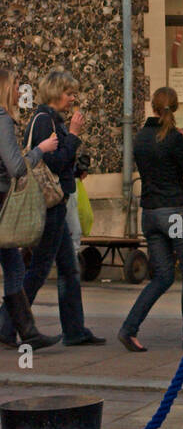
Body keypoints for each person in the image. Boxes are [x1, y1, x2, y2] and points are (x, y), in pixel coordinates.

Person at [0, 69, 104, 347]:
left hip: (59, 201)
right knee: (38, 267)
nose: (73, 99)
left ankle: (74, 330)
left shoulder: (47, 118)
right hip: (50, 204)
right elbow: (53, 162)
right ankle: (8, 325)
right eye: (70, 93)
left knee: (67, 269)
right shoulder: (44, 120)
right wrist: (73, 135)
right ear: (58, 94)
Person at [119, 87, 183, 352]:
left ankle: (129, 328)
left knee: (163, 276)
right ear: (174, 108)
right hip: (175, 212)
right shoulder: (174, 139)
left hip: (151, 214)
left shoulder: (140, 138)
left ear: (153, 107)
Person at [0, 67, 61, 349]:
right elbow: (15, 167)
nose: (19, 92)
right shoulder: (1, 118)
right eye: (15, 86)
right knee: (13, 269)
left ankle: (22, 331)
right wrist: (41, 150)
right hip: (2, 203)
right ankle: (25, 331)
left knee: (13, 267)